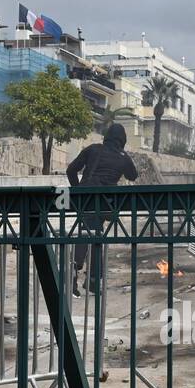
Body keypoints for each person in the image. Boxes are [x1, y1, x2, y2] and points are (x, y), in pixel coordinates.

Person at [66, 122, 139, 296]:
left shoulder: (92, 149)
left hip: (86, 199)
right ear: (122, 140)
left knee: (88, 235)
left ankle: (82, 278)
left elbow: (71, 170)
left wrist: (78, 191)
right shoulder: (123, 157)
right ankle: (86, 280)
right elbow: (133, 175)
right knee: (94, 236)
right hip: (105, 204)